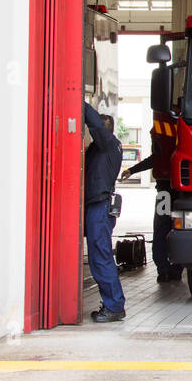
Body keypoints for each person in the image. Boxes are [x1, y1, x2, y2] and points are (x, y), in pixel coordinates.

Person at [84, 102, 126, 323]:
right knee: (99, 256)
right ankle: (112, 303)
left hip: (100, 207)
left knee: (101, 257)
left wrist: (79, 104)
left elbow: (96, 127)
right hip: (96, 206)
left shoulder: (108, 145)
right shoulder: (103, 148)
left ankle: (114, 305)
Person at [121, 149, 182, 284]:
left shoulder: (165, 143)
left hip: (164, 193)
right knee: (180, 230)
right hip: (183, 195)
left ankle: (163, 271)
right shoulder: (185, 145)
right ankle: (176, 270)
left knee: (161, 231)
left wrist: (132, 170)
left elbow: (154, 159)